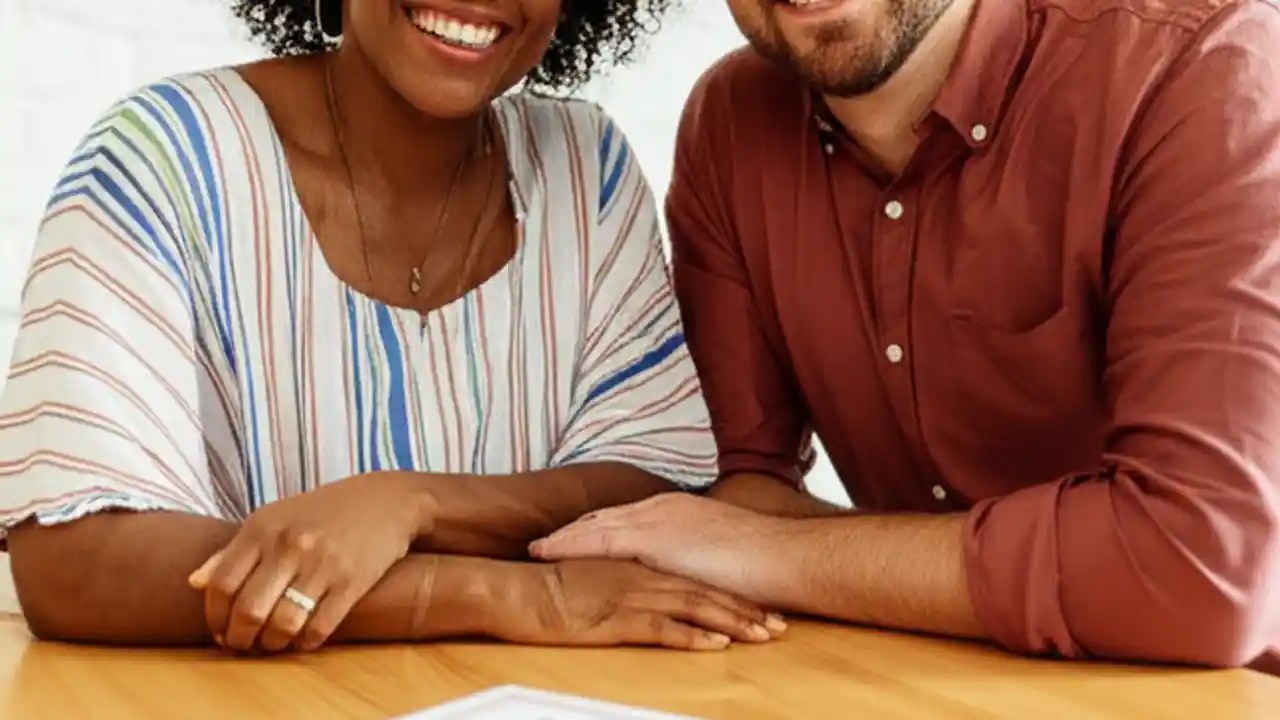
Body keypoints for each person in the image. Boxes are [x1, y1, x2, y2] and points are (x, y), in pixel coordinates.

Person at [0, 0, 788, 654]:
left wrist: (413, 504)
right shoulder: (162, 159)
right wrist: (503, 593)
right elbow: (72, 559)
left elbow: (656, 478)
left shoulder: (586, 169)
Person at [533, 0, 1280, 670]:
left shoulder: (1200, 67)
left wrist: (762, 550)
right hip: (922, 684)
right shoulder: (731, 124)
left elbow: (1200, 570)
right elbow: (726, 497)